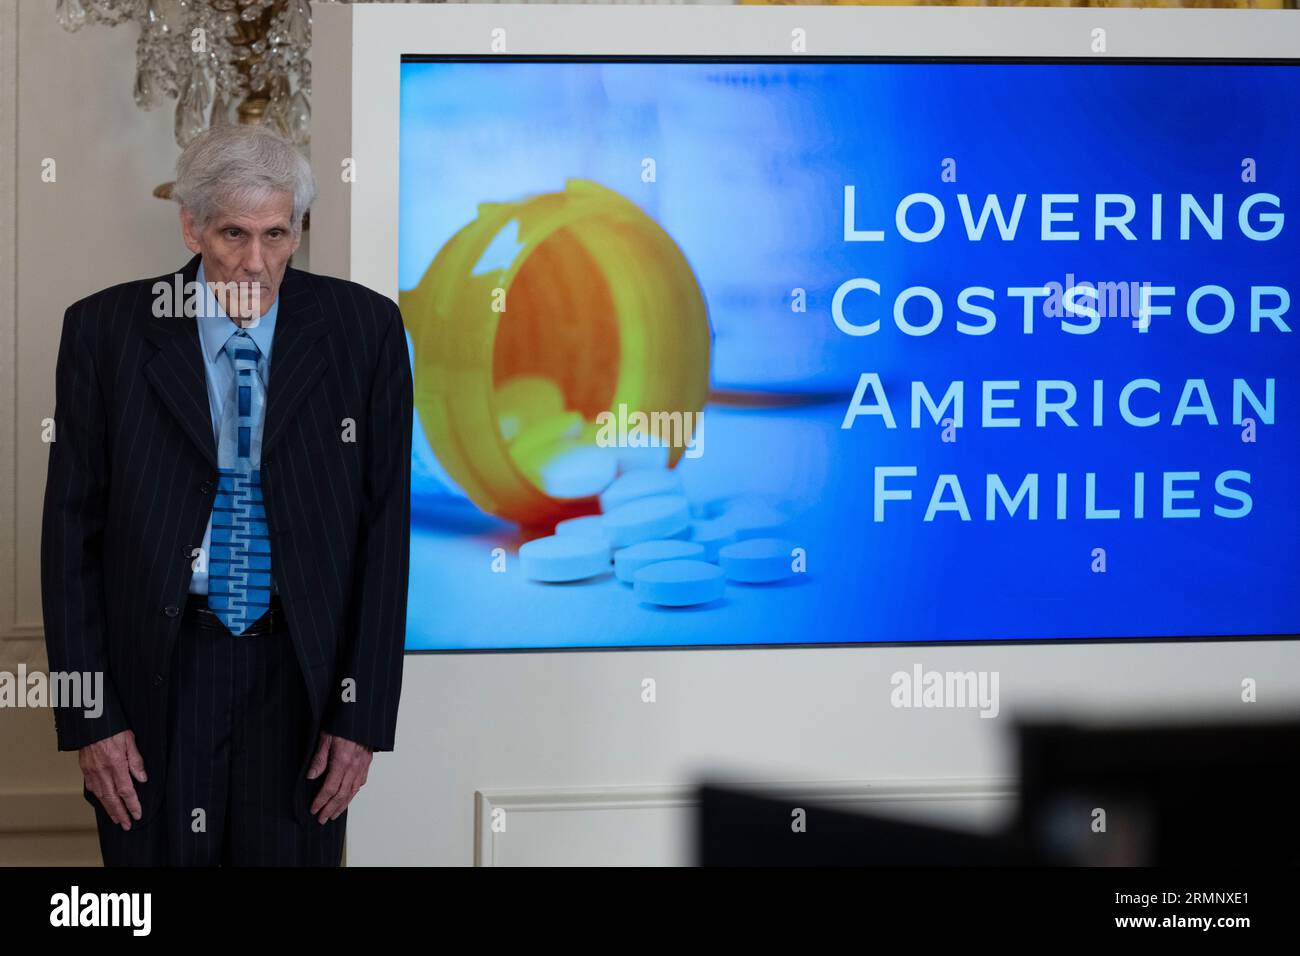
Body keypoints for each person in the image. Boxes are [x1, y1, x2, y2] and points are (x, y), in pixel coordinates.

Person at [40, 124, 413, 866]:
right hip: (158, 680)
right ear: (191, 225)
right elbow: (68, 540)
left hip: (301, 682)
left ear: (297, 229)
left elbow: (385, 532)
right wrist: (90, 717)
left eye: (277, 235)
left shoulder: (364, 330)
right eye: (233, 233)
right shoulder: (104, 331)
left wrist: (361, 714)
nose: (255, 262)